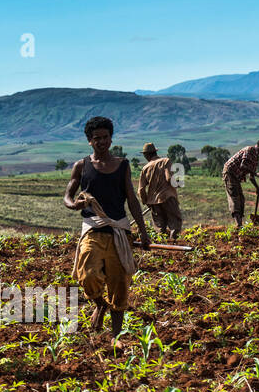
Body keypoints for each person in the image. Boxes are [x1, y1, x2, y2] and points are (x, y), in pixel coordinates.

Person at [63, 117, 151, 338]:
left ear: (111, 139)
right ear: (89, 141)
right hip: (93, 229)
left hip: (118, 231)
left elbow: (132, 199)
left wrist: (143, 230)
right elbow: (67, 195)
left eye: (105, 137)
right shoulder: (81, 166)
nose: (102, 142)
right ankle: (100, 304)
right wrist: (74, 205)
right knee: (87, 276)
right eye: (97, 138)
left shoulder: (122, 165)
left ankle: (116, 336)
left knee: (119, 283)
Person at [138, 143, 182, 240]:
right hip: (168, 198)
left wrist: (146, 201)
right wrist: (178, 183)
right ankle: (174, 246)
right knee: (174, 224)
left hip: (154, 202)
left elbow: (141, 189)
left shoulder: (145, 168)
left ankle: (161, 250)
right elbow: (169, 178)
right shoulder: (165, 161)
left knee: (159, 228)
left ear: (146, 155)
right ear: (155, 152)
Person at [222, 139, 259, 229]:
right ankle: (238, 225)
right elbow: (243, 166)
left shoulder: (256, 157)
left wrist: (257, 188)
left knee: (241, 199)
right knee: (235, 197)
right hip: (230, 172)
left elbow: (251, 176)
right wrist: (256, 174)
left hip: (236, 176)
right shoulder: (250, 150)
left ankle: (240, 224)